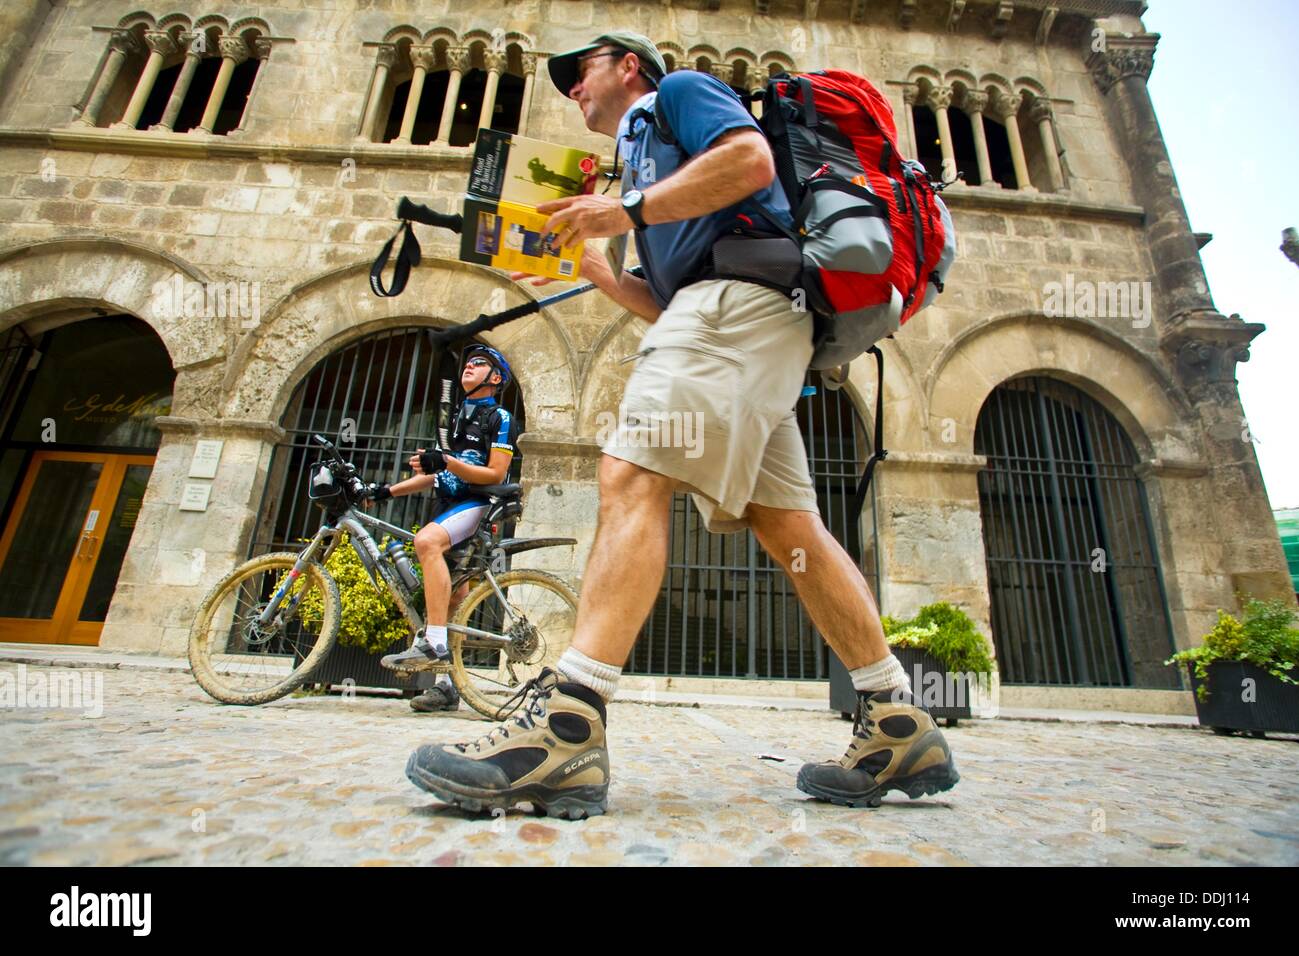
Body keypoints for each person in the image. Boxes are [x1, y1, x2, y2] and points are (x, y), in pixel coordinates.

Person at [403, 32, 959, 816]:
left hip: (737, 309)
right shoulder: (649, 170)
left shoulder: (679, 95)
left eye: (582, 71)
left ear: (629, 66)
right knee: (791, 529)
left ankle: (566, 728)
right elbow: (666, 299)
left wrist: (624, 207)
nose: (572, 90)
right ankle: (898, 721)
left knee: (632, 473)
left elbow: (752, 163)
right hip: (748, 321)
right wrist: (602, 269)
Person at [372, 345, 516, 713]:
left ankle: (433, 643)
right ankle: (447, 686)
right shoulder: (454, 419)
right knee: (455, 598)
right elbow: (438, 474)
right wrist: (386, 490)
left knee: (426, 542)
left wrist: (448, 459)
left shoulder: (500, 417)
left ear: (495, 378)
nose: (469, 366)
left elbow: (495, 473)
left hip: (477, 504)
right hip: (446, 505)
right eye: (467, 362)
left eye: (479, 364)